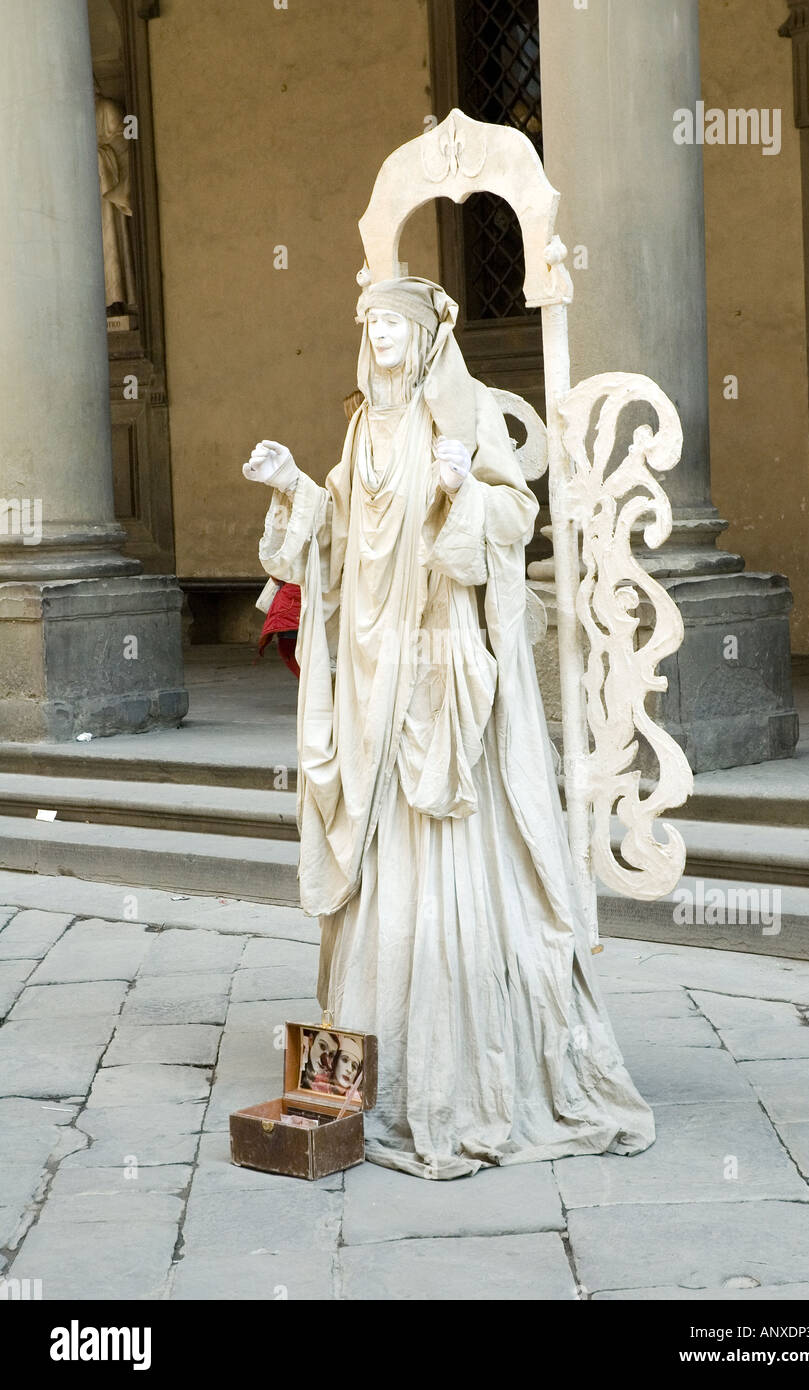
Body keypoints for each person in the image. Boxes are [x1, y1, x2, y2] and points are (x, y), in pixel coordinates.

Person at [243, 276, 654, 1179]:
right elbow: (339, 534)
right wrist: (294, 489)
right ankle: (377, 1050)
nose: (379, 335)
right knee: (384, 842)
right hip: (376, 665)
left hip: (444, 659)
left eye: (395, 322)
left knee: (450, 834)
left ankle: (466, 1066)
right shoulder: (361, 428)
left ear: (427, 334)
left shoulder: (461, 409)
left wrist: (467, 486)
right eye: (371, 323)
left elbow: (515, 516)